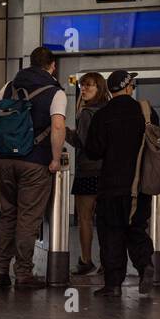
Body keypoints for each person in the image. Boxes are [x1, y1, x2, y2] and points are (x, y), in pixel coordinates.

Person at [0, 47, 67, 289]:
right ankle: (23, 274)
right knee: (28, 219)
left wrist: (14, 136)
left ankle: (0, 271)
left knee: (9, 215)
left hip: (6, 159)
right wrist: (54, 159)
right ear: (52, 65)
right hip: (35, 162)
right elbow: (58, 126)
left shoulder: (11, 84)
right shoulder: (56, 91)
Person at [83, 70, 154, 298]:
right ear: (128, 87)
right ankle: (145, 266)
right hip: (139, 185)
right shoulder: (145, 111)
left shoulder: (103, 115)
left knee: (111, 233)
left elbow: (93, 151)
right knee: (136, 228)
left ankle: (113, 284)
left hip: (110, 186)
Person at [65, 72, 108, 275]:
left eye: (89, 86)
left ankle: (86, 260)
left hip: (88, 171)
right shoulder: (109, 109)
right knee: (106, 219)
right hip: (108, 171)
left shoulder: (86, 113)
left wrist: (64, 131)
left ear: (99, 88)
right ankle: (107, 261)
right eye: (82, 86)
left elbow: (80, 141)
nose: (84, 89)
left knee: (85, 218)